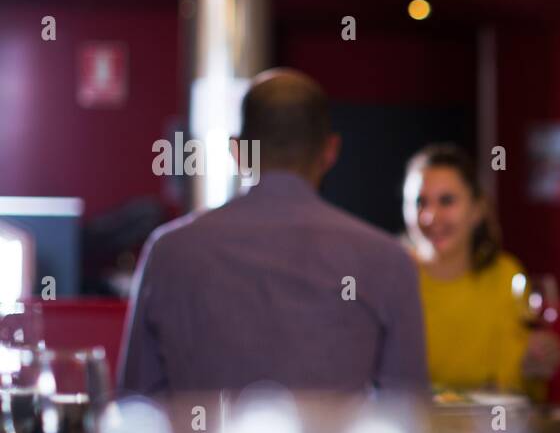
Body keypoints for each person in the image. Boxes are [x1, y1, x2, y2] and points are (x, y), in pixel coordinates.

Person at [119, 69, 428, 395]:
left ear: (237, 152)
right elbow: (408, 415)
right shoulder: (389, 261)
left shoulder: (168, 252)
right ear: (331, 151)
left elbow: (135, 408)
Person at [402, 143, 560, 395]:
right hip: (417, 430)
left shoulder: (505, 275)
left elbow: (525, 389)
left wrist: (536, 364)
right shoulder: (392, 277)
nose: (430, 217)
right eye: (420, 202)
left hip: (495, 430)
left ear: (476, 209)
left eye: (446, 201)